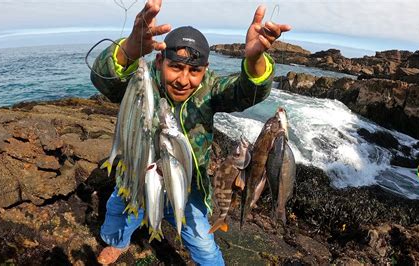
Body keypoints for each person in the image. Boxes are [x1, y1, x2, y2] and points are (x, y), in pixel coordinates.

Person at [90, 0, 291, 264]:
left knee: (206, 250)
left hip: (189, 186)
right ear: (160, 60)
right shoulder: (142, 83)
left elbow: (247, 91)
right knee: (118, 213)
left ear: (205, 70)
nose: (184, 80)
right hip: (139, 174)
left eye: (194, 71)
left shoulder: (211, 90)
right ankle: (118, 242)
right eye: (176, 67)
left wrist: (254, 61)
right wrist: (128, 49)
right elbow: (105, 81)